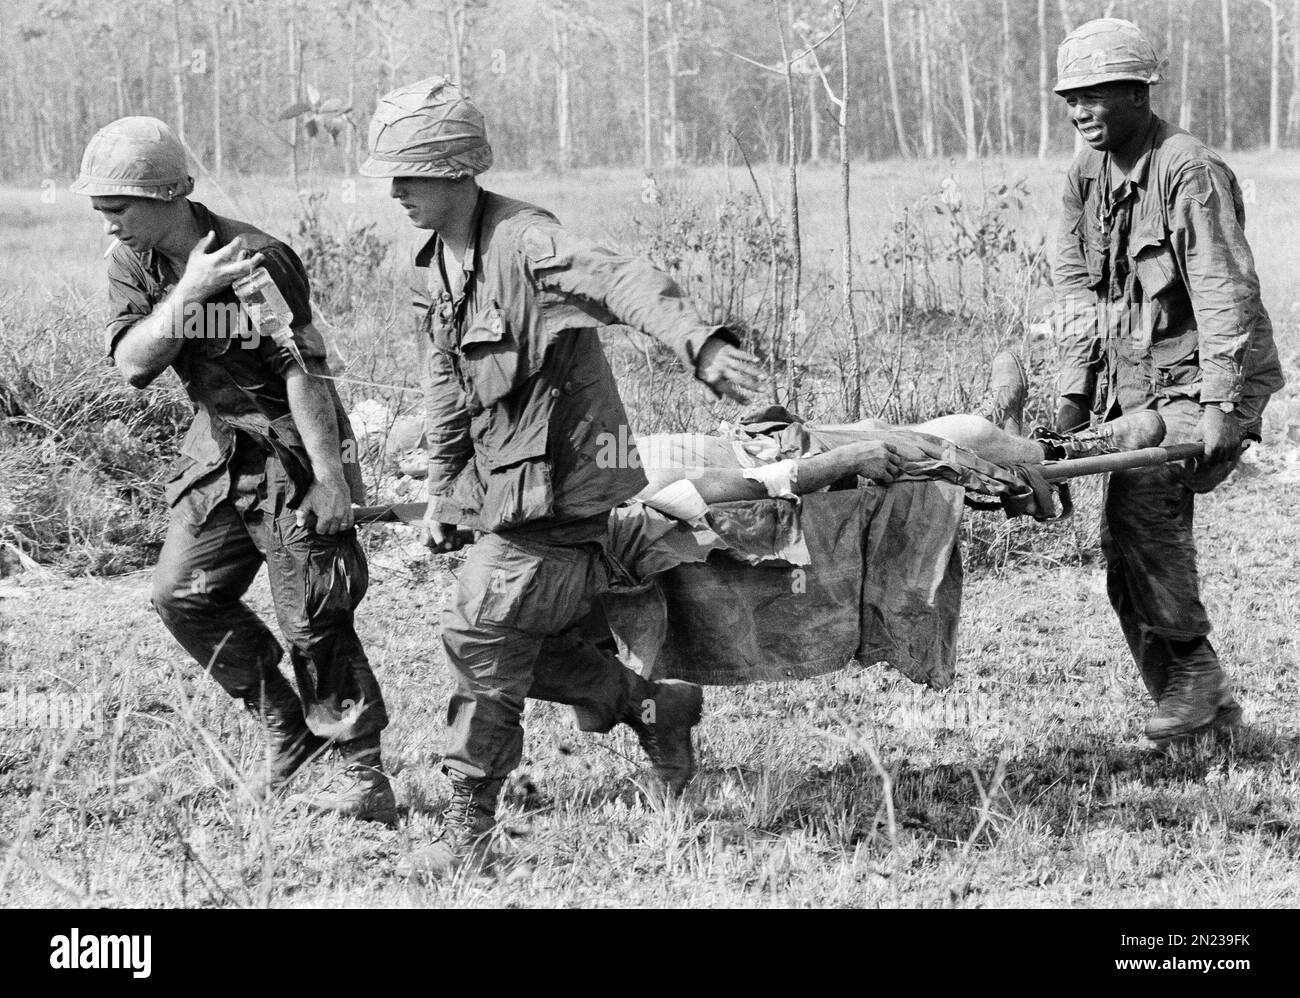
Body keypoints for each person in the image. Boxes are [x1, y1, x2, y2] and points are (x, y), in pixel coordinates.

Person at [358, 78, 769, 877]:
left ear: (453, 169)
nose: (398, 192)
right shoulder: (431, 268)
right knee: (525, 648)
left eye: (409, 174)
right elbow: (447, 387)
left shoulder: (526, 244)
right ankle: (654, 706)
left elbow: (622, 277)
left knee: (482, 637)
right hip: (503, 494)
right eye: (392, 178)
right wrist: (445, 487)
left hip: (568, 487)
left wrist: (699, 344)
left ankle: (466, 831)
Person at [73, 116, 396, 821]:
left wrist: (332, 476)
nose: (110, 228)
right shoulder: (135, 262)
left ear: (172, 195)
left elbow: (305, 370)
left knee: (314, 614)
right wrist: (189, 291)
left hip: (291, 447)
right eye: (101, 213)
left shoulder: (258, 257)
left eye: (119, 210)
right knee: (181, 595)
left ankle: (364, 778)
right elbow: (133, 364)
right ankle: (287, 728)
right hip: (216, 450)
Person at [1049, 20, 1285, 743]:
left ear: (1136, 92)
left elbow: (1224, 295)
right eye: (1071, 99)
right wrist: (1071, 396)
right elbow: (1079, 297)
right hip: (1140, 389)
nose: (1082, 112)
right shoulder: (1085, 178)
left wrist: (1219, 407)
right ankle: (1204, 721)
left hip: (1214, 381)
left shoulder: (1187, 169)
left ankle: (1194, 673)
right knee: (1122, 557)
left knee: (1141, 508)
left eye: (1095, 96)